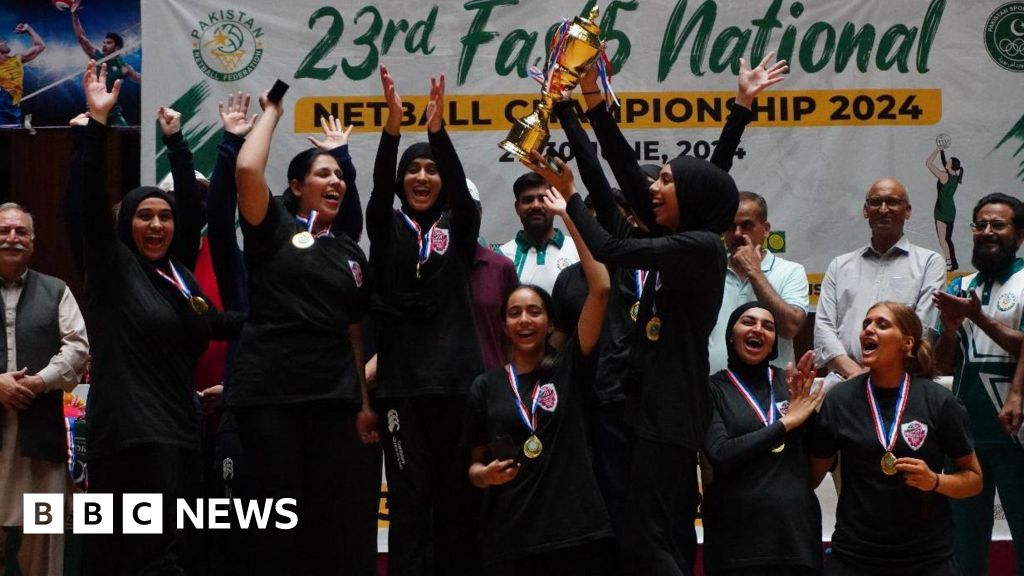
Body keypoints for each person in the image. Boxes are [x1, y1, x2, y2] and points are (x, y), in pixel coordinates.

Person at [527, 94, 739, 576]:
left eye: (666, 180)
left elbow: (607, 244)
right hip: (647, 410)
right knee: (642, 536)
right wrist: (580, 109)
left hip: (672, 413)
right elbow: (617, 173)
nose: (653, 188)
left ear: (692, 193)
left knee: (655, 538)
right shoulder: (674, 242)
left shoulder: (702, 247)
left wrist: (569, 201)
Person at [76, 60, 242, 575]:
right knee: (135, 557)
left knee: (175, 553)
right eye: (144, 215)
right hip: (129, 437)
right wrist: (97, 129)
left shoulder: (179, 277)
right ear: (126, 225)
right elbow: (83, 207)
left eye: (165, 215)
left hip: (178, 434)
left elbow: (220, 321)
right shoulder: (112, 269)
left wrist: (291, 317)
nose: (157, 224)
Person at [230, 81, 376, 575]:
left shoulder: (351, 252)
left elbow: (356, 332)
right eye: (323, 174)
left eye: (340, 175)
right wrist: (272, 112)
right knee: (276, 516)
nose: (335, 181)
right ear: (296, 187)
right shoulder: (272, 226)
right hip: (270, 393)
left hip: (332, 397)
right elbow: (248, 169)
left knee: (326, 517)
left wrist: (363, 403)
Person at [463, 177, 613, 575]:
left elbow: (599, 290)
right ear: (504, 326)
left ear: (550, 324)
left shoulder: (567, 367)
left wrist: (571, 218)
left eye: (535, 312)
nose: (525, 320)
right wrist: (486, 476)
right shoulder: (487, 386)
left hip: (575, 532)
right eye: (515, 313)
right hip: (510, 536)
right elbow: (474, 468)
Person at [368, 65, 483, 576]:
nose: (421, 177)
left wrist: (438, 133)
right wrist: (394, 128)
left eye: (430, 169)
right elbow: (375, 189)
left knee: (457, 499)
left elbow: (460, 191)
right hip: (402, 388)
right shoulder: (386, 226)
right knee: (411, 501)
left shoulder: (458, 228)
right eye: (413, 169)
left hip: (457, 383)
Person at [809, 301, 982, 575]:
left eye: (882, 324)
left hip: (927, 558)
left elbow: (973, 480)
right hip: (855, 557)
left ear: (907, 343)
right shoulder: (840, 400)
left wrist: (935, 481)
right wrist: (797, 420)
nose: (868, 329)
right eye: (866, 323)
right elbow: (810, 477)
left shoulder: (939, 401)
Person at [933, 192, 1024, 575]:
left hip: (1017, 437)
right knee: (964, 548)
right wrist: (951, 329)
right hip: (965, 439)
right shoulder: (959, 286)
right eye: (980, 225)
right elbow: (940, 363)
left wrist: (979, 318)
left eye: (997, 225)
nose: (987, 232)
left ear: (1018, 235)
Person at [0, 204, 88, 576]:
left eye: (21, 232)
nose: (12, 238)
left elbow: (78, 347)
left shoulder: (56, 290)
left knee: (44, 549)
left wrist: (41, 380)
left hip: (42, 431)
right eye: (4, 231)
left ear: (33, 243)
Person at [702, 302, 822, 576]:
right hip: (735, 541)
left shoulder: (791, 385)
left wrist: (810, 413)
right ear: (731, 336)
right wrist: (785, 423)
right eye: (748, 321)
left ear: (773, 344)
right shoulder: (711, 389)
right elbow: (720, 454)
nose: (758, 329)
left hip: (795, 537)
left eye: (768, 326)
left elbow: (821, 449)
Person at [814, 178, 945, 379]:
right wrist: (855, 374)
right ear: (866, 210)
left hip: (903, 382)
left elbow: (922, 329)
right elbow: (823, 328)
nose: (883, 209)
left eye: (892, 202)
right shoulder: (840, 266)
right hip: (844, 382)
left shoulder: (930, 263)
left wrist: (884, 376)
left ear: (907, 210)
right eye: (876, 202)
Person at [709, 191, 808, 373]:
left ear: (766, 229)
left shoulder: (791, 271)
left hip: (771, 392)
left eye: (747, 225)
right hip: (714, 388)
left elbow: (790, 328)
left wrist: (754, 272)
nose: (738, 234)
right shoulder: (710, 271)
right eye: (731, 227)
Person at [499, 171, 580, 293]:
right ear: (517, 207)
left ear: (554, 202)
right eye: (528, 200)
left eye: (543, 199)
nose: (536, 205)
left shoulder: (579, 251)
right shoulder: (502, 256)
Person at [71, 2, 140, 127]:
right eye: (104, 42)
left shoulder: (124, 68)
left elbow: (141, 79)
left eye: (108, 43)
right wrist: (74, 16)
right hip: (94, 113)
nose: (104, 45)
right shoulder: (97, 56)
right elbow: (82, 38)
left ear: (117, 47)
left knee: (125, 135)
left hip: (114, 114)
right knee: (80, 130)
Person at [926, 147, 964, 271]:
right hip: (951, 210)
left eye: (948, 161)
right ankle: (953, 262)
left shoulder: (943, 175)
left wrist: (937, 150)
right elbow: (945, 164)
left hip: (941, 210)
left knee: (943, 240)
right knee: (948, 239)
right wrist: (943, 153)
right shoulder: (956, 176)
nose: (946, 162)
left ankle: (949, 264)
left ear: (950, 165)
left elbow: (928, 163)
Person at [0, 24, 45, 126]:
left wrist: (29, 29)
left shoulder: (17, 59)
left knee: (15, 137)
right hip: (2, 103)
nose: (5, 42)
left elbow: (40, 46)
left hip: (14, 107)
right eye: (1, 42)